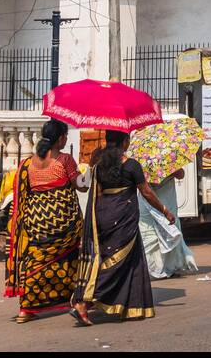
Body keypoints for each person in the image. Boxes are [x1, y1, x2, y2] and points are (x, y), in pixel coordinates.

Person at [72, 131, 172, 325]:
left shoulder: (98, 165)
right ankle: (84, 301)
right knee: (117, 262)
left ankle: (129, 306)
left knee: (117, 259)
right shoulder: (132, 165)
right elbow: (146, 192)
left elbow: (94, 191)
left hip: (102, 216)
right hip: (123, 217)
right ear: (125, 142)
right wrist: (165, 210)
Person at [3, 120, 82, 322]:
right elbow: (81, 186)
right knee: (73, 257)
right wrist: (88, 173)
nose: (66, 139)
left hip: (36, 223)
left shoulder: (27, 163)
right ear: (61, 139)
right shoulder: (65, 160)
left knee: (35, 262)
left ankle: (25, 309)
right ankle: (76, 298)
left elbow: (22, 195)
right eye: (65, 136)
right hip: (64, 222)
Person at [138, 168, 198, 279]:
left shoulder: (168, 160)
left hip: (166, 200)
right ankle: (149, 270)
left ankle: (169, 268)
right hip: (149, 202)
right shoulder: (140, 165)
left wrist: (167, 170)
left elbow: (181, 174)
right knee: (149, 235)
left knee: (170, 232)